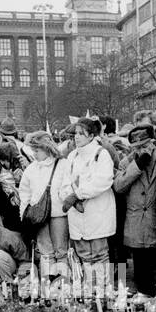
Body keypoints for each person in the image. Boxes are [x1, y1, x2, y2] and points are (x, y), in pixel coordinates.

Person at [57, 117, 118, 298]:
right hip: (77, 213)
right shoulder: (72, 156)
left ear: (91, 135)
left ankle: (103, 293)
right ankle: (89, 291)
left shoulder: (101, 153)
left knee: (99, 253)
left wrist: (79, 194)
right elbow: (64, 183)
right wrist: (69, 197)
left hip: (97, 212)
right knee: (83, 253)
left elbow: (103, 180)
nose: (77, 137)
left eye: (81, 134)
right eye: (75, 133)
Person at [114, 124, 156, 296]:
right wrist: (137, 165)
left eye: (145, 146)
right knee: (140, 267)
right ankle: (143, 297)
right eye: (136, 147)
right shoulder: (127, 162)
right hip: (135, 221)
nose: (141, 150)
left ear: (153, 142)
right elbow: (119, 186)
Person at [17, 131, 71, 289]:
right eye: (33, 150)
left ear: (46, 148)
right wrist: (25, 212)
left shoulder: (63, 164)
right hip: (39, 216)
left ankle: (62, 286)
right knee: (45, 253)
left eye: (37, 150)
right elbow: (24, 192)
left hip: (58, 214)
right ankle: (48, 287)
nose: (34, 154)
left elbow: (67, 187)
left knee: (61, 252)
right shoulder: (32, 168)